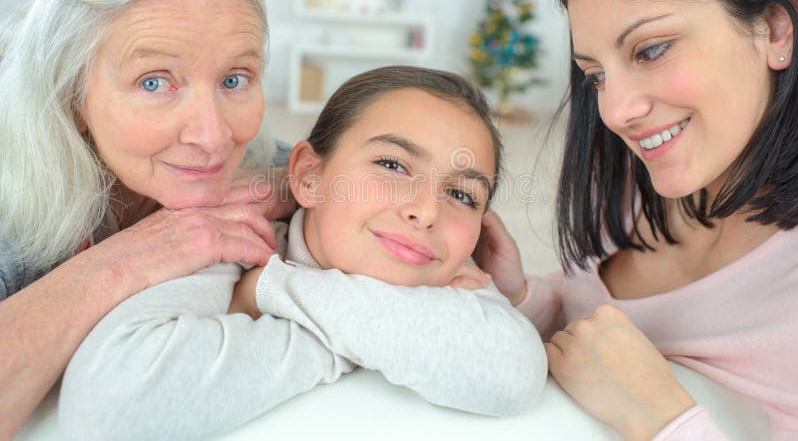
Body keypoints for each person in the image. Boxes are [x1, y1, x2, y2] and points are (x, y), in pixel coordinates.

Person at [59, 66, 546, 439]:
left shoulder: (456, 279)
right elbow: (105, 405)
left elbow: (516, 372)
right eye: (393, 164)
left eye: (462, 195)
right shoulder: (232, 249)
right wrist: (369, 340)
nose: (426, 211)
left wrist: (279, 289)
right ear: (310, 176)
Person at [481, 0, 798, 439]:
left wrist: (662, 417)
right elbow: (586, 311)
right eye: (596, 76)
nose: (615, 111)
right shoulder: (647, 182)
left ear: (775, 27)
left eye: (651, 50)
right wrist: (521, 298)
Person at [0, 0, 295, 438]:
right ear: (73, 96)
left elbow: (385, 187)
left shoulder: (268, 164)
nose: (212, 136)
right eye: (154, 83)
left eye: (234, 78)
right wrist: (126, 260)